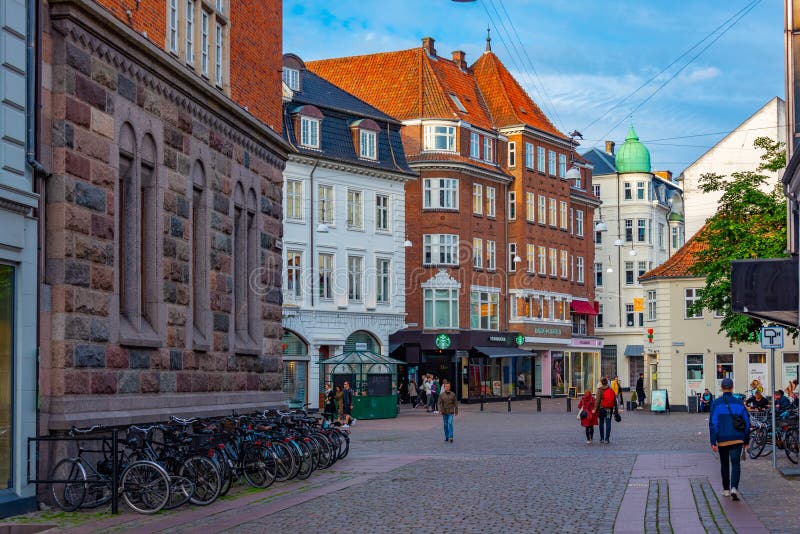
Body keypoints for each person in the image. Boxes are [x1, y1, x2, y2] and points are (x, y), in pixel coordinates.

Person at [709, 377, 750, 501]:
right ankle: (734, 488)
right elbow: (747, 423)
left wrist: (713, 441)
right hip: (737, 438)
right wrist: (746, 440)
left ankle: (726, 489)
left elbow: (713, 423)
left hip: (722, 439)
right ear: (732, 388)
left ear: (721, 388)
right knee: (736, 463)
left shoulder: (716, 403)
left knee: (724, 464)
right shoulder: (739, 403)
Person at [594, 377, 618, 444]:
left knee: (601, 423)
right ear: (607, 382)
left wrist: (595, 409)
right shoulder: (611, 390)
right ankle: (607, 439)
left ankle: (601, 438)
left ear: (601, 382)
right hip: (608, 409)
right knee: (608, 423)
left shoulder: (599, 390)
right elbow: (614, 400)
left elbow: (597, 401)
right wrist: (616, 409)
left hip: (601, 409)